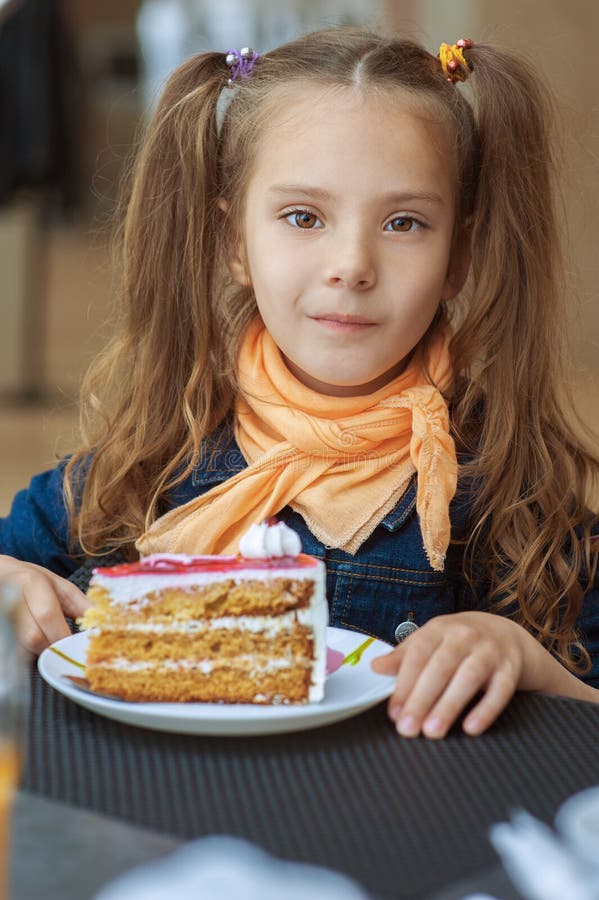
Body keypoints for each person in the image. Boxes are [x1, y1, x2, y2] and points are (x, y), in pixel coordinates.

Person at [2, 28, 598, 739]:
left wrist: (529, 665)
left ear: (459, 255)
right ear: (234, 244)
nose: (351, 264)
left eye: (403, 222)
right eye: (302, 217)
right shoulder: (144, 464)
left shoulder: (510, 494)